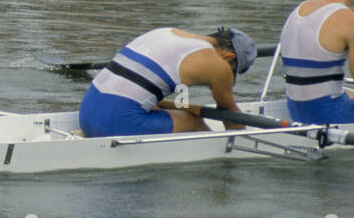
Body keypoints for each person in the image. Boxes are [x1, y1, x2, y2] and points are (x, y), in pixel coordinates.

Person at [79, 27, 257, 137]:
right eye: (233, 69)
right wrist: (242, 146)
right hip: (115, 123)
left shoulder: (167, 32)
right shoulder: (218, 66)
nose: (229, 75)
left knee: (159, 106)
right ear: (229, 57)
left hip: (86, 114)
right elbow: (230, 116)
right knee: (193, 122)